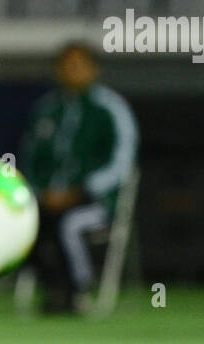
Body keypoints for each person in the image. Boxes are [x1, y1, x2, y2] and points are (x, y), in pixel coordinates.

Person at [20, 41, 138, 313]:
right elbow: (31, 157)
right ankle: (53, 287)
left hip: (95, 202)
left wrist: (83, 189)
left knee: (69, 223)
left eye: (79, 65)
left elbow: (123, 160)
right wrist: (39, 190)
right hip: (47, 197)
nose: (73, 71)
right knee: (22, 223)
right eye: (67, 66)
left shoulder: (110, 109)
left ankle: (76, 289)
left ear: (93, 70)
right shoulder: (47, 109)